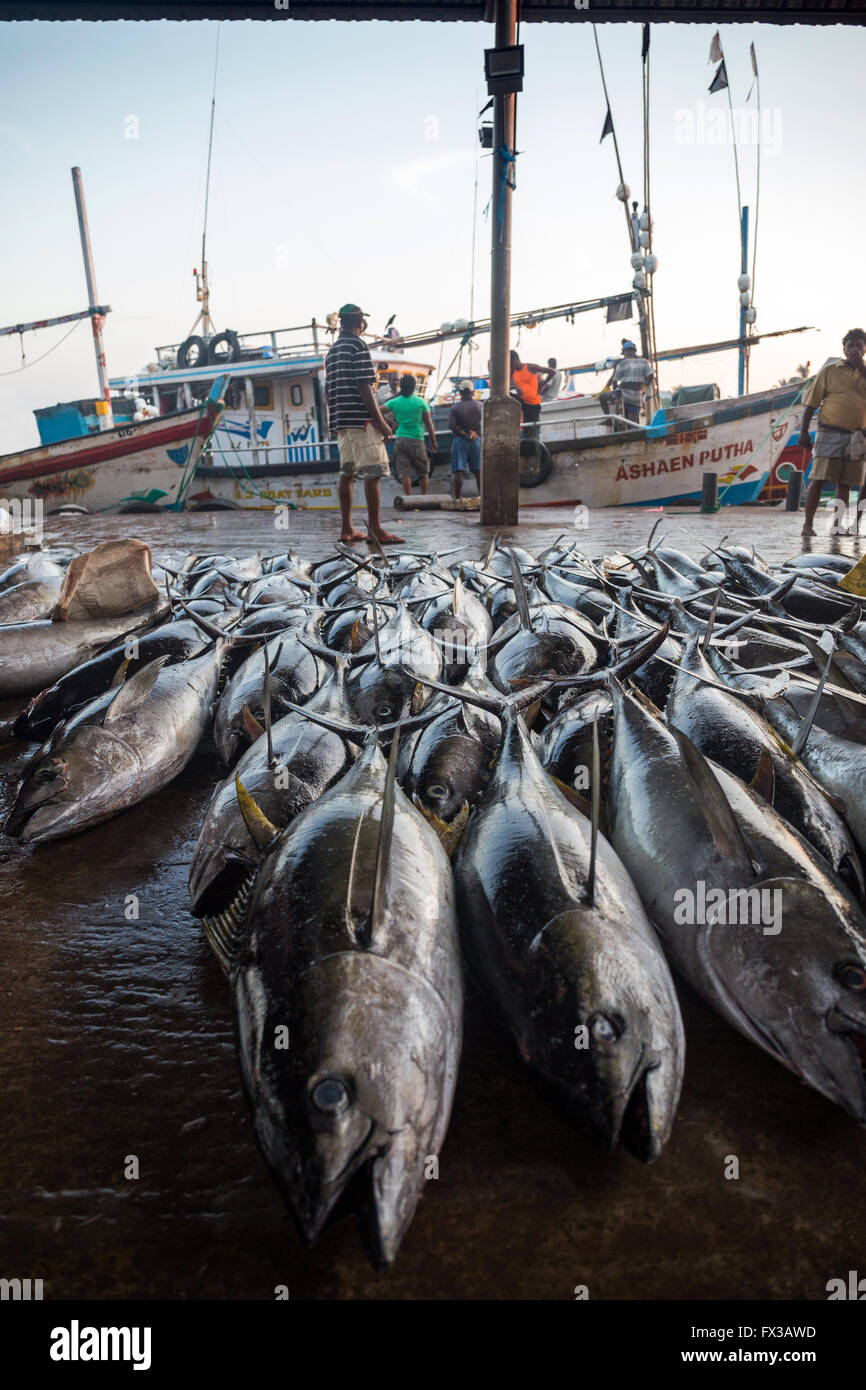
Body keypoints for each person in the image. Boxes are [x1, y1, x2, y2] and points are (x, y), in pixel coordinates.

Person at [322, 302, 402, 545]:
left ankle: (348, 528)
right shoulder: (358, 345)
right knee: (372, 473)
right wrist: (381, 422)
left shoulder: (333, 351)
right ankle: (375, 528)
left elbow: (329, 390)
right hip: (362, 422)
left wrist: (333, 420)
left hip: (342, 422)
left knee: (347, 474)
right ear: (359, 323)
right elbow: (364, 386)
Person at [800, 329, 866, 537]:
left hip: (857, 437)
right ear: (844, 349)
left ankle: (837, 526)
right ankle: (807, 525)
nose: (855, 349)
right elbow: (811, 403)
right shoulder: (830, 371)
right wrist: (803, 432)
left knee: (845, 483)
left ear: (865, 349)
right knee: (818, 478)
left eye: (859, 345)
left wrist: (861, 369)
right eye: (851, 346)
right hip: (829, 432)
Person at [382, 373, 438, 498]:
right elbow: (429, 423)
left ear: (401, 386)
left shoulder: (395, 402)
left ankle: (408, 498)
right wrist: (433, 440)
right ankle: (424, 497)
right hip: (417, 439)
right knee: (423, 472)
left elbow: (378, 412)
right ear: (414, 387)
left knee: (404, 472)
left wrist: (391, 424)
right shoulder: (421, 402)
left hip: (400, 440)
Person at [603, 340, 655, 424]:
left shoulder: (623, 362)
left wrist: (615, 394)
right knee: (634, 420)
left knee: (602, 397)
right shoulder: (644, 362)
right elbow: (651, 376)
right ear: (634, 351)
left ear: (625, 352)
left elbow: (615, 380)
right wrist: (645, 385)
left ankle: (609, 420)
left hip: (624, 395)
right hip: (637, 396)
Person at [449, 380, 482, 499]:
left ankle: (457, 498)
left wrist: (464, 433)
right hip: (476, 440)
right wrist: (475, 433)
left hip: (460, 441)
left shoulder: (455, 407)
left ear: (460, 392)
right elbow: (485, 424)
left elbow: (452, 425)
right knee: (479, 471)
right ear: (473, 392)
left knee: (459, 470)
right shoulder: (479, 405)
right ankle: (482, 497)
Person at [510, 350, 556, 424]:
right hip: (522, 403)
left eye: (510, 362)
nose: (510, 365)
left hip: (533, 403)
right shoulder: (512, 371)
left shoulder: (530, 367)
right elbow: (508, 384)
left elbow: (552, 372)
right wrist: (515, 387)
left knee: (532, 429)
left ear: (515, 359)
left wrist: (542, 384)